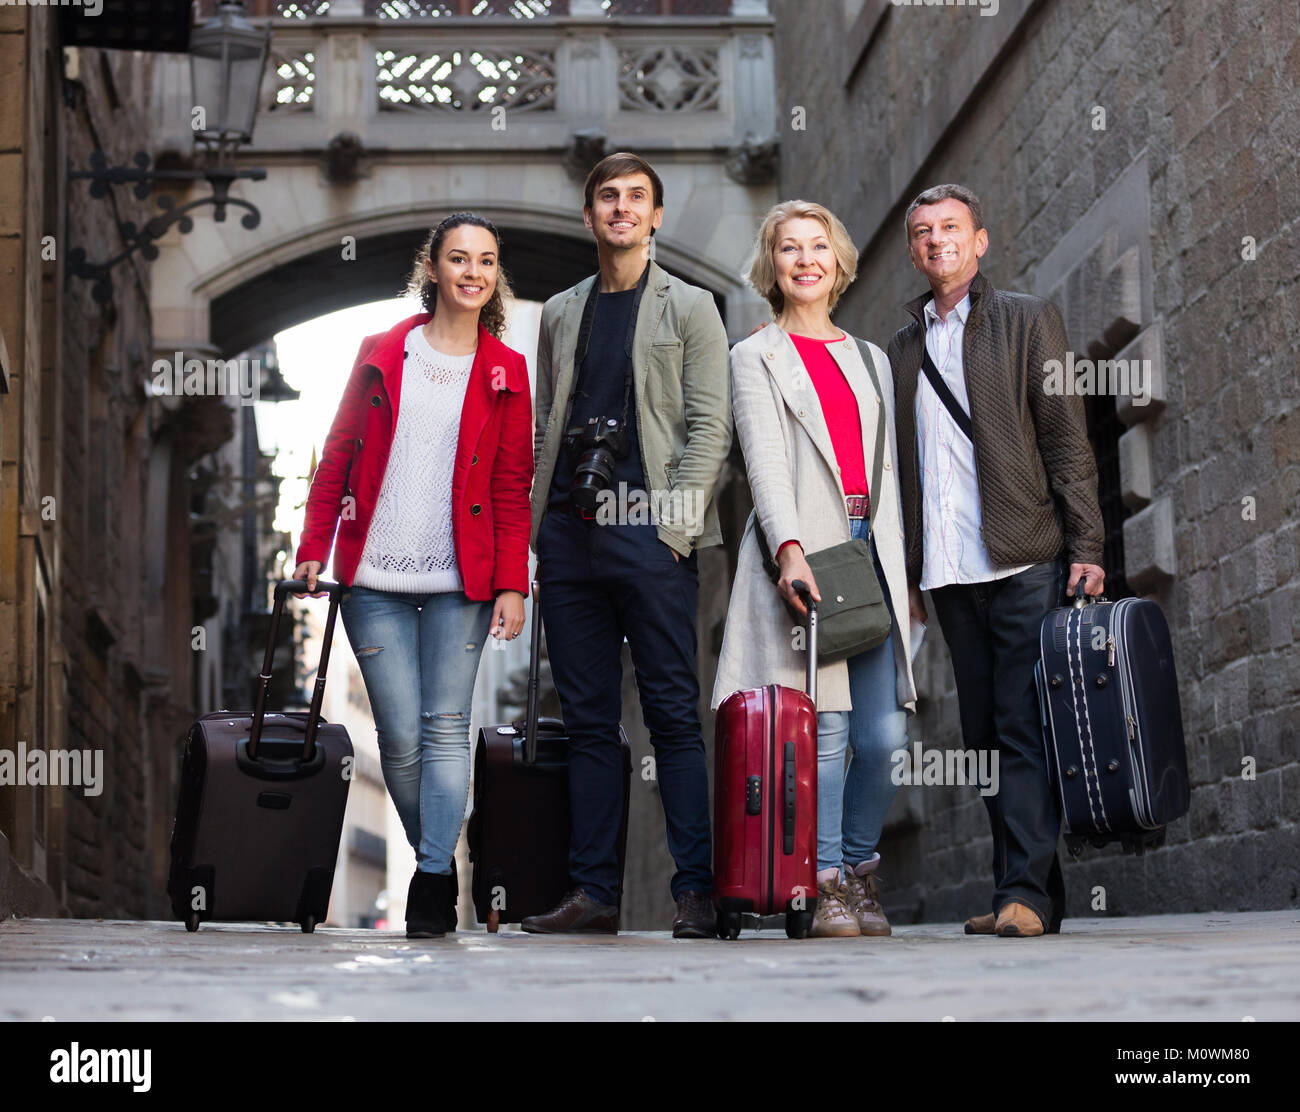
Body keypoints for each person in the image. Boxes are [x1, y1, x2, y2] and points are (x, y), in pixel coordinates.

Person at [292, 213, 533, 939]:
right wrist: (312, 542)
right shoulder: (380, 352)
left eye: (485, 261)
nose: (472, 272)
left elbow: (515, 482)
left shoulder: (506, 369)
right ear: (432, 267)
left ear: (494, 276)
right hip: (373, 575)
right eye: (458, 258)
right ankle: (442, 853)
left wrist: (513, 581)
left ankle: (431, 875)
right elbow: (336, 456)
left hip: (464, 578)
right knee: (398, 736)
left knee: (446, 726)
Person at [521, 152, 732, 938]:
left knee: (674, 717)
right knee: (588, 723)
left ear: (656, 217)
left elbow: (711, 427)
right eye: (607, 197)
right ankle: (595, 894)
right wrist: (540, 533)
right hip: (571, 543)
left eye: (636, 198)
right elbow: (550, 422)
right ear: (589, 215)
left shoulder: (692, 305)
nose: (620, 209)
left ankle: (696, 892)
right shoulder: (562, 309)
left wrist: (672, 530)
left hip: (654, 534)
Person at [887, 184, 1105, 938]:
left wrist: (1087, 546)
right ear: (912, 250)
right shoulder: (903, 349)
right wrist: (911, 571)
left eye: (950, 228)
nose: (935, 241)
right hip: (949, 573)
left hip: (1022, 558)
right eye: (922, 233)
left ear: (979, 241)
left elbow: (1066, 440)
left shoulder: (1025, 318)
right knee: (983, 738)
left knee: (1021, 725)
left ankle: (1024, 893)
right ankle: (1032, 892)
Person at [712, 200, 917, 938]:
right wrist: (787, 549)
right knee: (825, 732)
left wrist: (907, 575)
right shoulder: (754, 355)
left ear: (838, 262)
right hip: (805, 559)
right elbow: (764, 463)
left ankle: (860, 871)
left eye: (818, 247)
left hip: (871, 558)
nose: (805, 260)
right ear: (774, 266)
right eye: (790, 248)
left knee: (885, 736)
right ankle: (824, 881)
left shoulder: (871, 359)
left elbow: (889, 472)